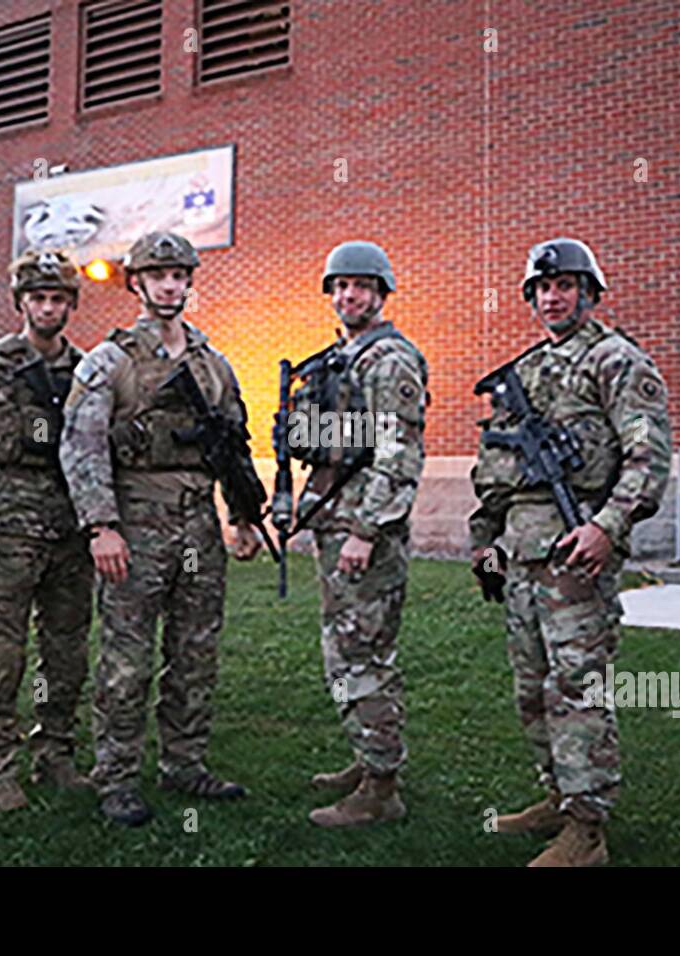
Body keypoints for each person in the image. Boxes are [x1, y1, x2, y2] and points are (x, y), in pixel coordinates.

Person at [469, 237, 670, 866]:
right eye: (543, 289)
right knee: (532, 687)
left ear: (589, 292)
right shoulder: (525, 372)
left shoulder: (617, 361)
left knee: (578, 687)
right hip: (523, 554)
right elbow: (495, 469)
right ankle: (557, 796)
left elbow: (648, 455)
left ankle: (587, 830)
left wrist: (607, 525)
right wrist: (485, 543)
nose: (553, 298)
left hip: (578, 551)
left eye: (565, 286)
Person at [59, 232, 260, 826]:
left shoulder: (212, 364)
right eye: (158, 275)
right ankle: (115, 775)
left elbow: (233, 445)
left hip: (198, 526)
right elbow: (81, 447)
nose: (171, 284)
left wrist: (243, 514)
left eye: (179, 274)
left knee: (195, 652)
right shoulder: (109, 361)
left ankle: (185, 762)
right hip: (135, 527)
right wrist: (101, 526)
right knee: (126, 659)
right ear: (137, 284)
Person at [0, 249, 93, 812]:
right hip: (8, 517)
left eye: (58, 298)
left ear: (70, 305)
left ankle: (55, 752)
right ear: (21, 303)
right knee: (4, 651)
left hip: (71, 520)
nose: (48, 307)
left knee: (67, 647)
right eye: (38, 298)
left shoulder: (85, 370)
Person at [290, 240, 428, 829]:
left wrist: (366, 531)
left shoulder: (389, 360)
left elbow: (398, 455)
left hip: (364, 534)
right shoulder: (343, 359)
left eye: (361, 286)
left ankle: (380, 788)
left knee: (359, 656)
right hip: (336, 522)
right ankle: (368, 759)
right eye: (340, 286)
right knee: (351, 651)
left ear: (380, 293)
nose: (348, 295)